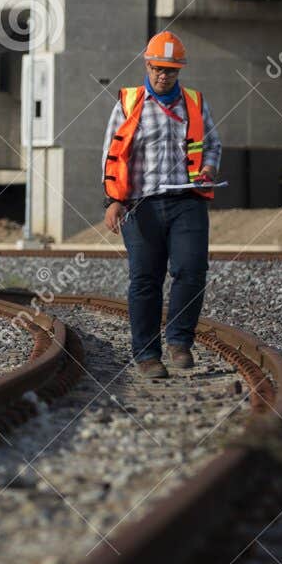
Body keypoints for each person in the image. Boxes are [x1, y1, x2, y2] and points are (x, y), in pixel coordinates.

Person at [102, 31, 221, 379]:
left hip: (187, 201)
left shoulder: (195, 103)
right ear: (147, 65)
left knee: (191, 270)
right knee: (145, 279)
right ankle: (147, 355)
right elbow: (111, 155)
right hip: (141, 206)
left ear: (179, 69)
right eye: (156, 68)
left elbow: (212, 144)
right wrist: (113, 200)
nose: (162, 75)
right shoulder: (128, 104)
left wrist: (209, 168)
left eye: (169, 70)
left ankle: (179, 341)